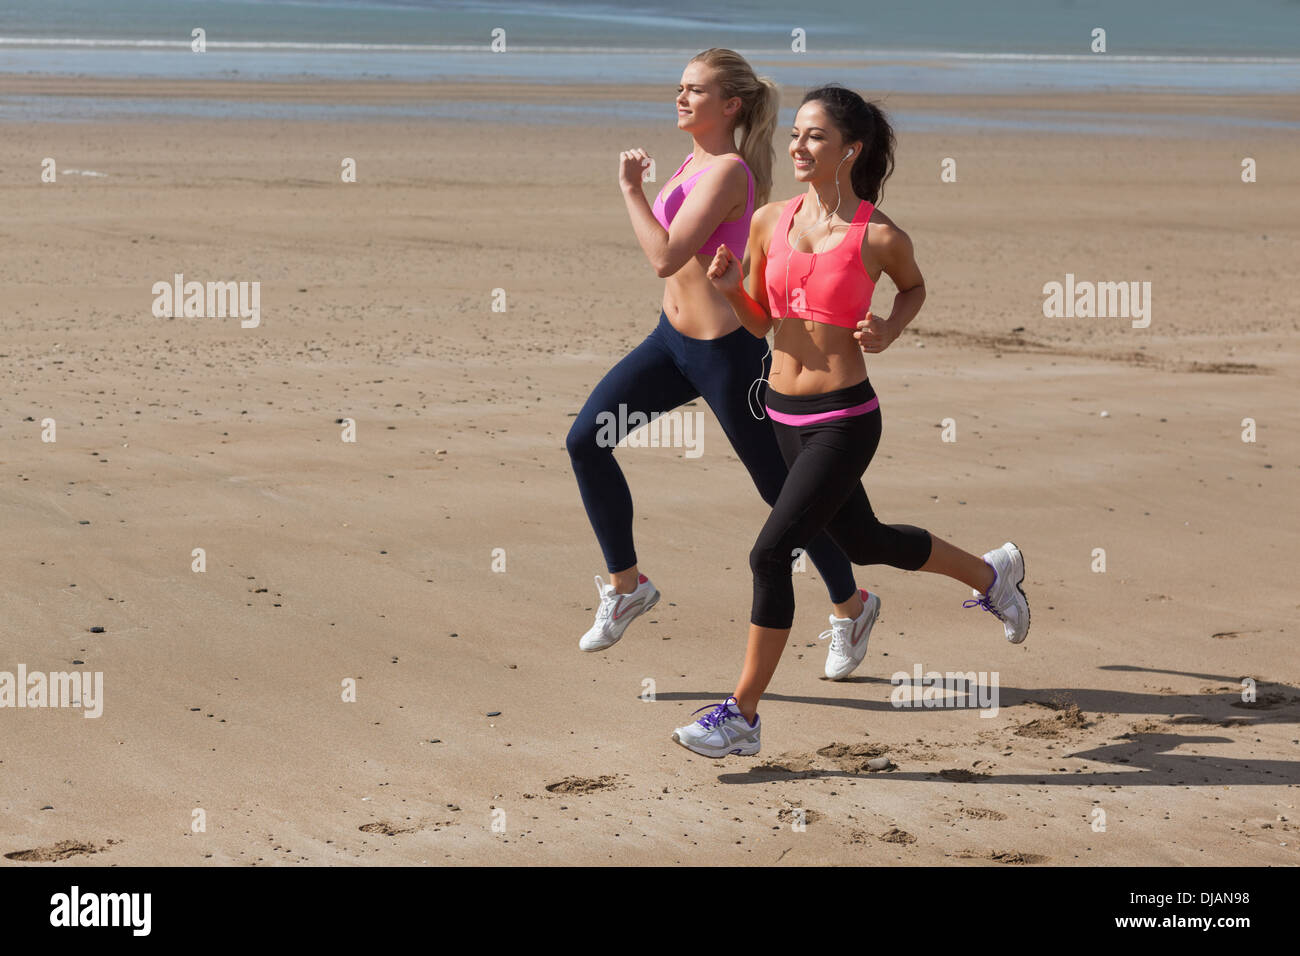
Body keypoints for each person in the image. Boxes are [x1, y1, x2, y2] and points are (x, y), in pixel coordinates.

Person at [672, 85, 1030, 758]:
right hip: (782, 413)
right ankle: (991, 576)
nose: (798, 147)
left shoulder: (879, 236)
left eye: (815, 137)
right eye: (796, 134)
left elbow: (914, 286)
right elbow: (762, 320)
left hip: (843, 418)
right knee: (863, 540)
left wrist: (890, 326)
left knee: (770, 554)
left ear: (850, 150)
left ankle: (741, 714)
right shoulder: (768, 222)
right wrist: (727, 291)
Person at [567, 52, 878, 674]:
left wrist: (628, 189)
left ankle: (852, 604)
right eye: (679, 88)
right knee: (586, 440)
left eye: (695, 91)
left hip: (727, 358)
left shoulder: (728, 173)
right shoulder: (695, 161)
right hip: (669, 345)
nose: (680, 98)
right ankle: (627, 587)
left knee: (783, 494)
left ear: (730, 105)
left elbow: (664, 255)